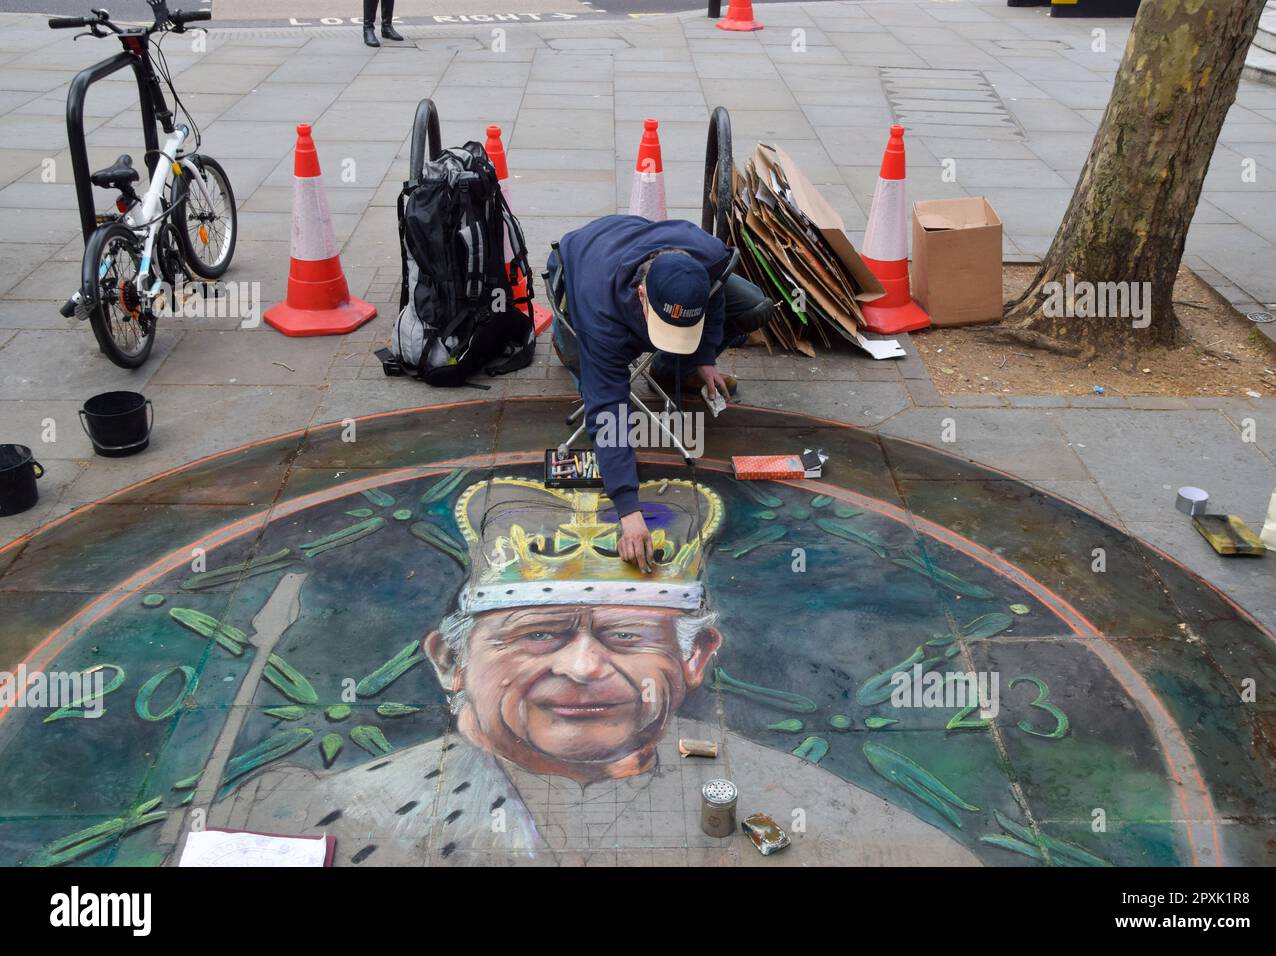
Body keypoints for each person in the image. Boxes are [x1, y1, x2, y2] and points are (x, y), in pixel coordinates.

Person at [200, 477, 979, 866]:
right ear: (449, 658)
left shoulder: (847, 827)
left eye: (629, 635)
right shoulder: (305, 816)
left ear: (696, 657)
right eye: (536, 633)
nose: (581, 667)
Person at [551, 215, 772, 576]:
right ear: (642, 295)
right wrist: (628, 509)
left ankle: (671, 368)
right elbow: (609, 410)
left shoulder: (710, 256)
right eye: (665, 327)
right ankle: (569, 343)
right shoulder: (601, 307)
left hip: (646, 256)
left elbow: (715, 299)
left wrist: (705, 357)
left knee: (754, 304)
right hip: (583, 262)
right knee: (596, 375)